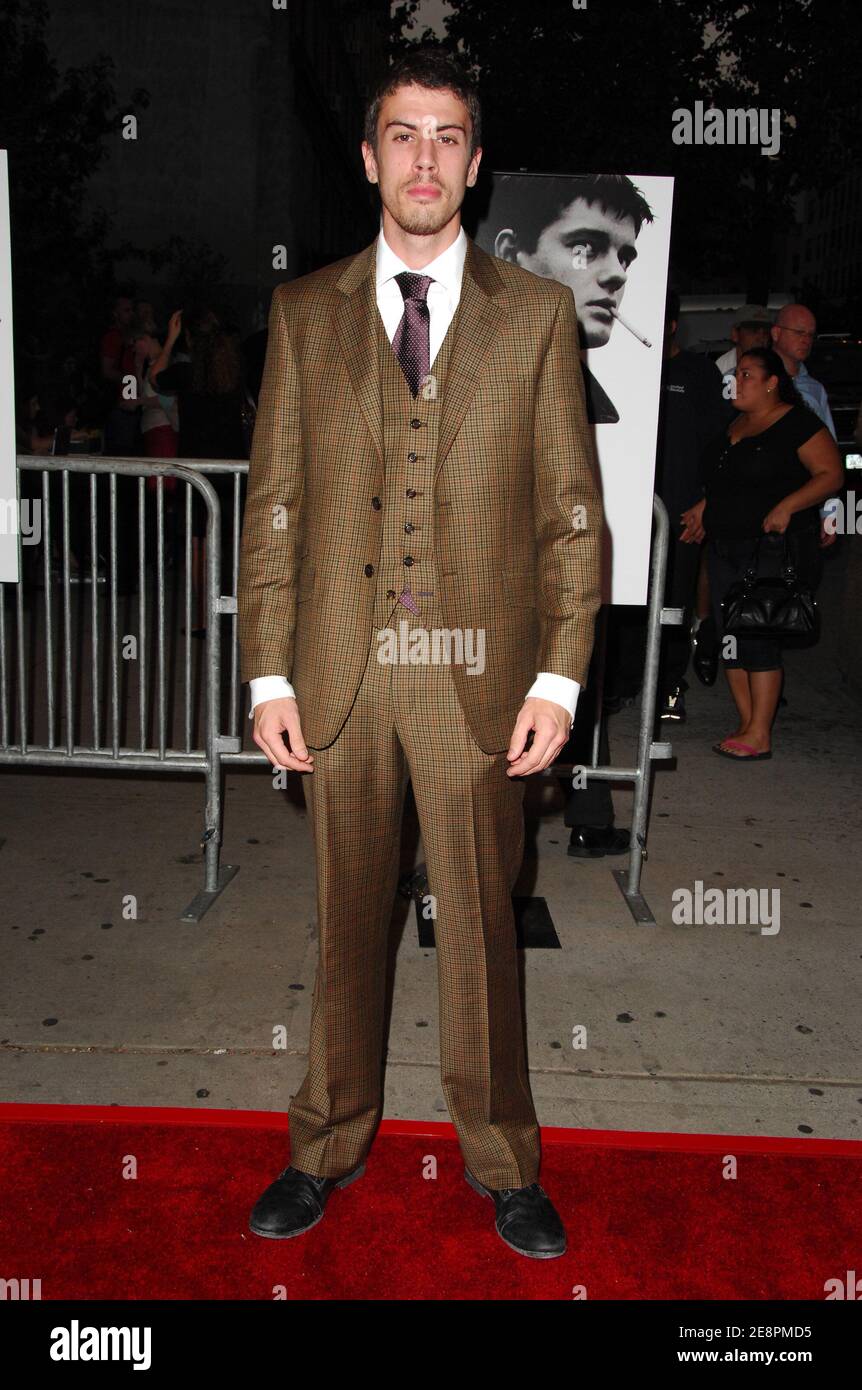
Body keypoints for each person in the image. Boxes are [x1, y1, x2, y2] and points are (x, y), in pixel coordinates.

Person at [237, 47, 602, 1258]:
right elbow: (273, 500)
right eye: (404, 134)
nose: (425, 157)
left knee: (480, 928)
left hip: (477, 680)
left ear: (476, 163)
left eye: (447, 136)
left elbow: (570, 516)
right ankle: (325, 1141)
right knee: (347, 924)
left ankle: (503, 1159)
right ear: (368, 156)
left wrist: (557, 678)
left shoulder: (537, 315)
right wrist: (268, 671)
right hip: (337, 674)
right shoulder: (303, 312)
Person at [680, 347, 843, 760]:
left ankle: (759, 732)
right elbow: (722, 483)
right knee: (730, 631)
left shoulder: (795, 422)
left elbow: (831, 474)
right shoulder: (734, 424)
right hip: (724, 546)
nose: (738, 380)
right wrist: (705, 506)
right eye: (738, 373)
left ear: (772, 383)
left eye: (748, 373)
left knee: (758, 631)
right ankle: (748, 723)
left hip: (771, 549)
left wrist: (789, 505)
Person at [483, 174, 654, 424]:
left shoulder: (583, 399)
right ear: (509, 253)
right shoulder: (449, 370)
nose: (618, 274)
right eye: (584, 248)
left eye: (624, 258)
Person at [655, 288, 731, 721]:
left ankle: (669, 686)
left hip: (683, 514)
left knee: (674, 605)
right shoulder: (629, 371)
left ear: (671, 326)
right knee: (625, 603)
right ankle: (623, 685)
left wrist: (706, 502)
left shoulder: (699, 373)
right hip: (631, 513)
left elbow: (721, 446)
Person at [149, 304, 246, 632]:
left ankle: (204, 618)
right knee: (230, 542)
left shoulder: (187, 373)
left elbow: (155, 378)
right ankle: (231, 612)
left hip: (196, 471)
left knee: (198, 544)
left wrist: (170, 339)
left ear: (190, 337)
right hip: (232, 471)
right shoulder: (235, 373)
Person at [714, 305, 772, 397]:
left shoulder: (775, 366)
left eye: (766, 332)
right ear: (735, 334)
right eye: (754, 330)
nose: (761, 338)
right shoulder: (721, 368)